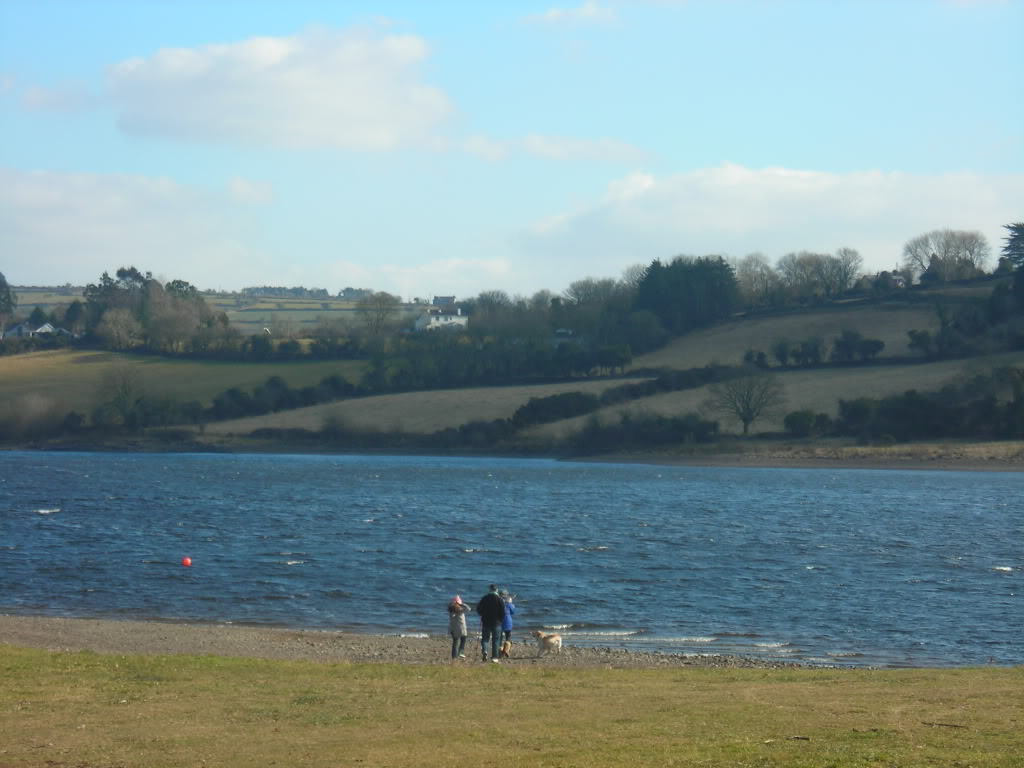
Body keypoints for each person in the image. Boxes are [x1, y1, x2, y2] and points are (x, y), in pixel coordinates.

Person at [476, 584, 505, 662]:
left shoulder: (484, 598)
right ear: (497, 590)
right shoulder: (500, 599)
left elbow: (478, 609)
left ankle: (485, 651)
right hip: (497, 622)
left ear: (490, 589)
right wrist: (500, 619)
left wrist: (482, 614)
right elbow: (503, 612)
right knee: (496, 640)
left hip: (486, 621)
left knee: (485, 638)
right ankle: (495, 657)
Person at [447, 595, 472, 660]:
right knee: (463, 638)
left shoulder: (451, 611)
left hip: (453, 629)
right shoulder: (461, 610)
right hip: (461, 628)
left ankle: (454, 657)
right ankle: (461, 651)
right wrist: (462, 604)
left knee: (455, 642)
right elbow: (468, 608)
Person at [499, 589, 516, 657]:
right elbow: (513, 612)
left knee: (499, 637)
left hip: (499, 621)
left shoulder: (498, 602)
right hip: (508, 621)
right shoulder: (509, 603)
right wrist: (511, 604)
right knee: (508, 636)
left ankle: (500, 652)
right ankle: (506, 649)